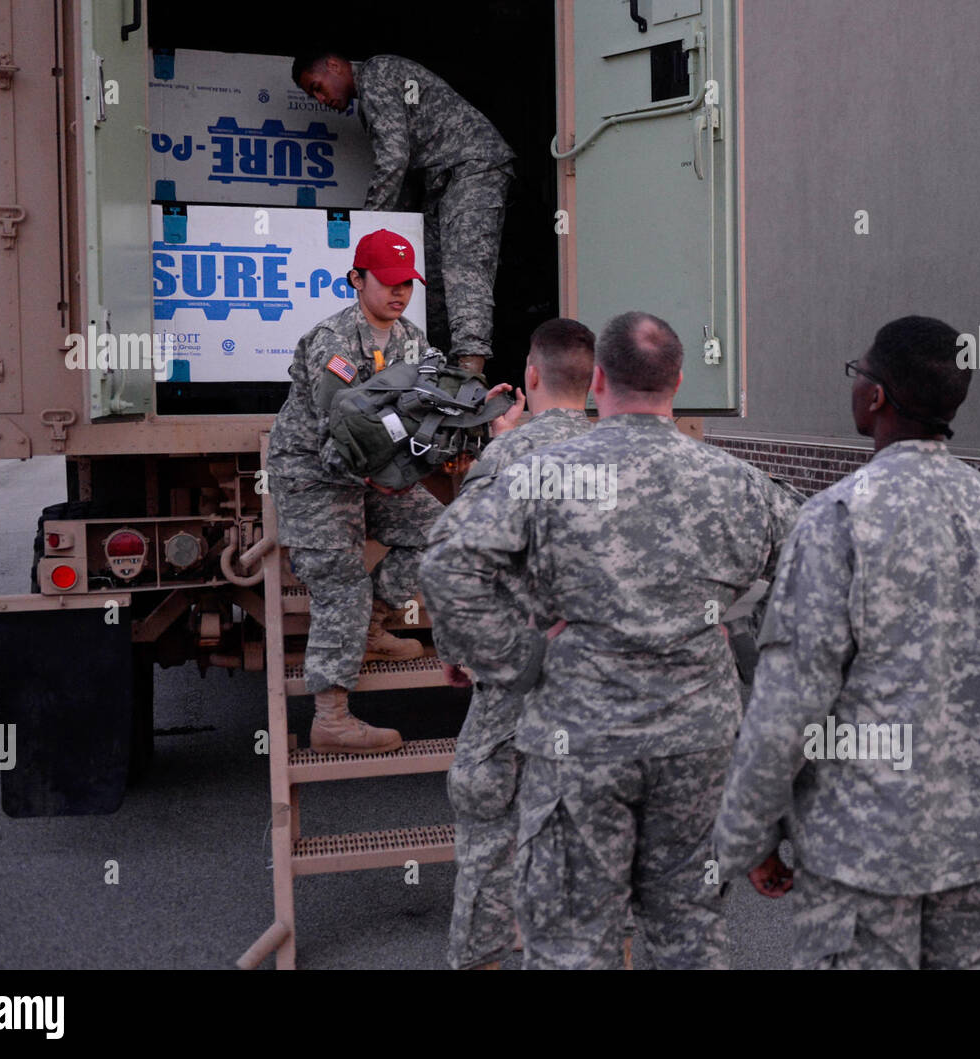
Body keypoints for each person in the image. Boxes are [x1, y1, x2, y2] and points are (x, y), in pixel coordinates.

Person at [420, 311, 802, 969]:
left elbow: (446, 562)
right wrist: (733, 635)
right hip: (698, 743)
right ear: (678, 381)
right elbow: (812, 571)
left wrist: (511, 655)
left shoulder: (543, 473)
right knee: (689, 932)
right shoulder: (739, 481)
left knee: (572, 940)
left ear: (599, 380)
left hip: (578, 742)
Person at [712, 315, 980, 969]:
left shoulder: (834, 520)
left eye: (859, 372)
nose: (856, 383)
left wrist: (751, 837)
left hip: (861, 860)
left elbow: (787, 708)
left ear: (876, 397)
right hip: (976, 852)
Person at [424, 318, 596, 970]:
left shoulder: (506, 459)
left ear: (529, 376)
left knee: (491, 835)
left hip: (515, 688)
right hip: (602, 693)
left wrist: (461, 648)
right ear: (596, 381)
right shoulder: (617, 455)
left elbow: (449, 565)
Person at [266, 229, 441, 754]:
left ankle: (371, 630)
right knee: (342, 583)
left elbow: (433, 398)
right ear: (356, 280)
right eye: (387, 283)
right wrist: (386, 471)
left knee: (442, 530)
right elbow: (339, 433)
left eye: (406, 283)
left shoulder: (412, 339)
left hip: (371, 470)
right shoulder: (333, 342)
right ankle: (331, 718)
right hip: (315, 474)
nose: (399, 293)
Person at [292, 49, 515, 375]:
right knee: (432, 280)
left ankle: (470, 378)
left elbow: (394, 159)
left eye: (317, 86)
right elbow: (405, 169)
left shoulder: (376, 73)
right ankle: (439, 371)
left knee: (464, 273)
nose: (319, 98)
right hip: (444, 184)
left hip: (473, 169)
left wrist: (368, 224)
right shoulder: (371, 91)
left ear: (334, 66)